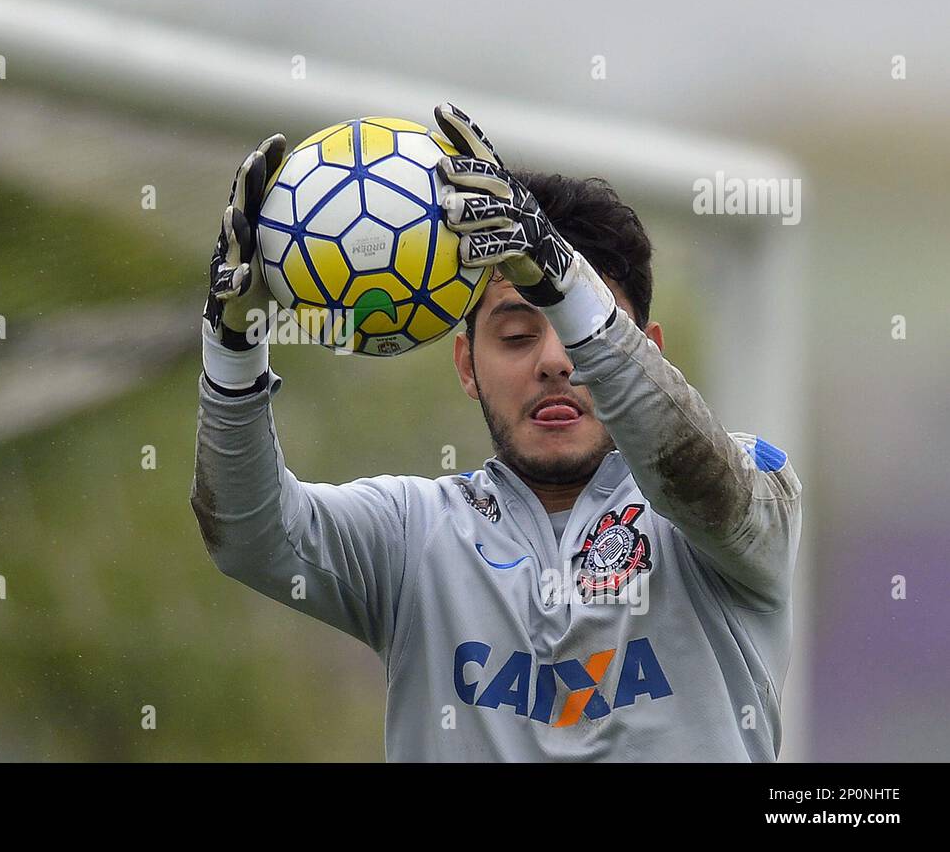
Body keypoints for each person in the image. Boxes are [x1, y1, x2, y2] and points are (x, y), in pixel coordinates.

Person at [190, 102, 802, 761]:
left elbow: (707, 484)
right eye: (516, 334)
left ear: (645, 348)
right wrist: (231, 353)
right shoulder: (412, 535)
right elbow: (248, 537)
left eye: (578, 330)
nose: (556, 360)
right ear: (467, 364)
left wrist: (565, 279)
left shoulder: (741, 496)